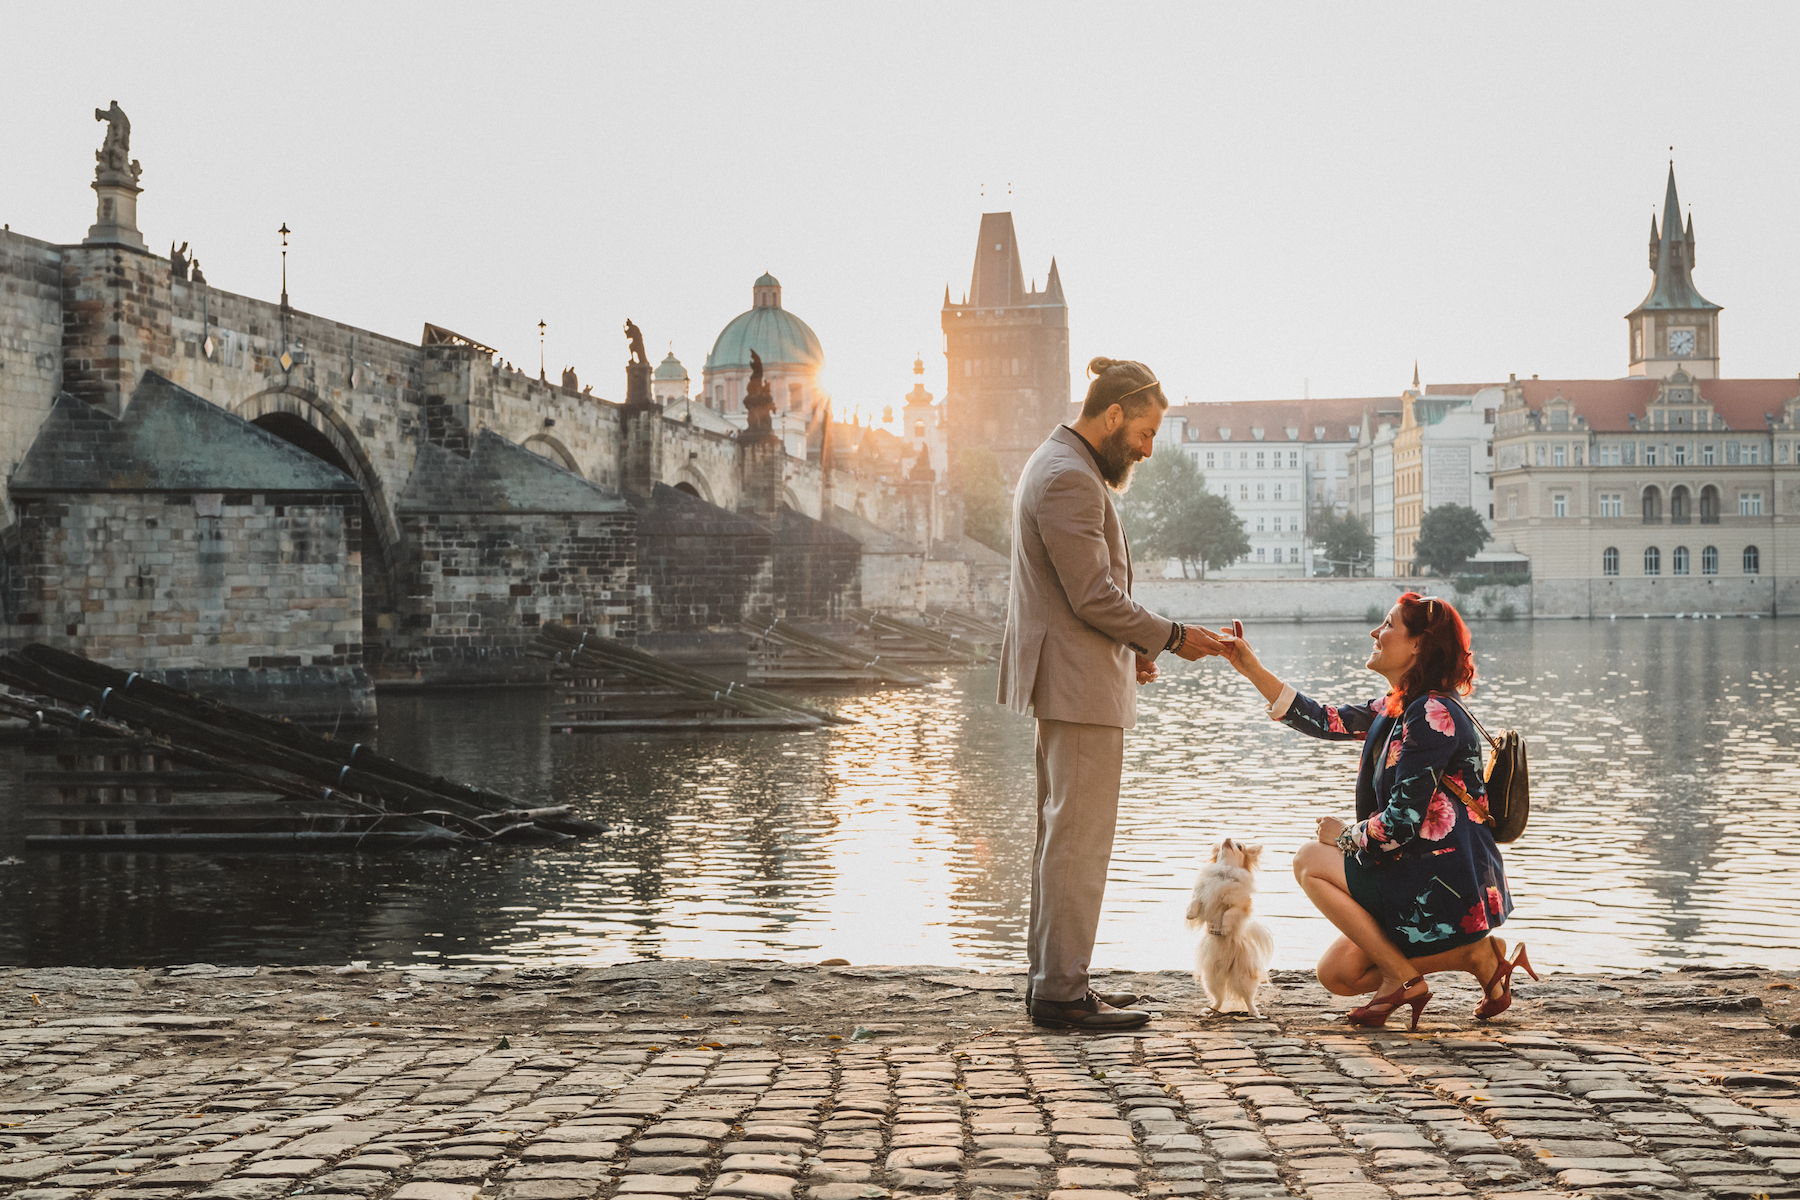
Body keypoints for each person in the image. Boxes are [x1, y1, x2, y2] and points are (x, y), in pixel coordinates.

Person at [999, 356, 1223, 1031]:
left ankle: (1055, 980)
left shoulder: (1060, 462)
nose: (1150, 450)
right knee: (1078, 841)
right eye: (1147, 433)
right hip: (1077, 687)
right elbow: (1094, 595)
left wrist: (1130, 650)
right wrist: (1171, 636)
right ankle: (1061, 993)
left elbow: (1082, 599)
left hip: (1073, 677)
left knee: (1060, 835)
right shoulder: (1070, 477)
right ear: (1115, 411)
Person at [1213, 594, 1533, 1028]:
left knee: (1310, 859)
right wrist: (1250, 667)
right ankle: (1481, 958)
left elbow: (1401, 823)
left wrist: (1343, 835)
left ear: (1418, 645)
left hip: (1442, 881)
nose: (1374, 633)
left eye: (1387, 625)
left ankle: (1404, 979)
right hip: (1417, 871)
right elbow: (1324, 719)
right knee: (1339, 975)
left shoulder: (1432, 713)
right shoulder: (1402, 705)